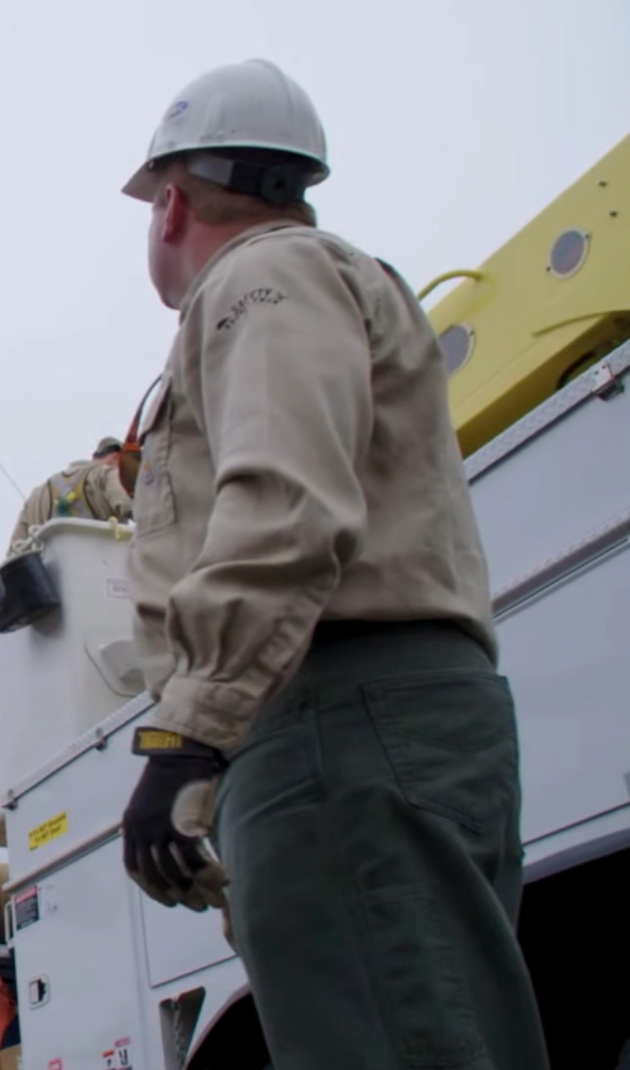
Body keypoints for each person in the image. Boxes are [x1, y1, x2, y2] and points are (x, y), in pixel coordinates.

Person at [112, 59, 549, 1069]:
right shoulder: (319, 283)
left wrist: (183, 736)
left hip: (330, 712)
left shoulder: (261, 279)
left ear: (170, 203)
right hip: (363, 721)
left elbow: (284, 505)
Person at [4, 436, 134, 555]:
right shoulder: (106, 474)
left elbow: (14, 553)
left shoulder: (35, 496)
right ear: (116, 458)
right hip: (99, 571)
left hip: (52, 576)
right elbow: (135, 509)